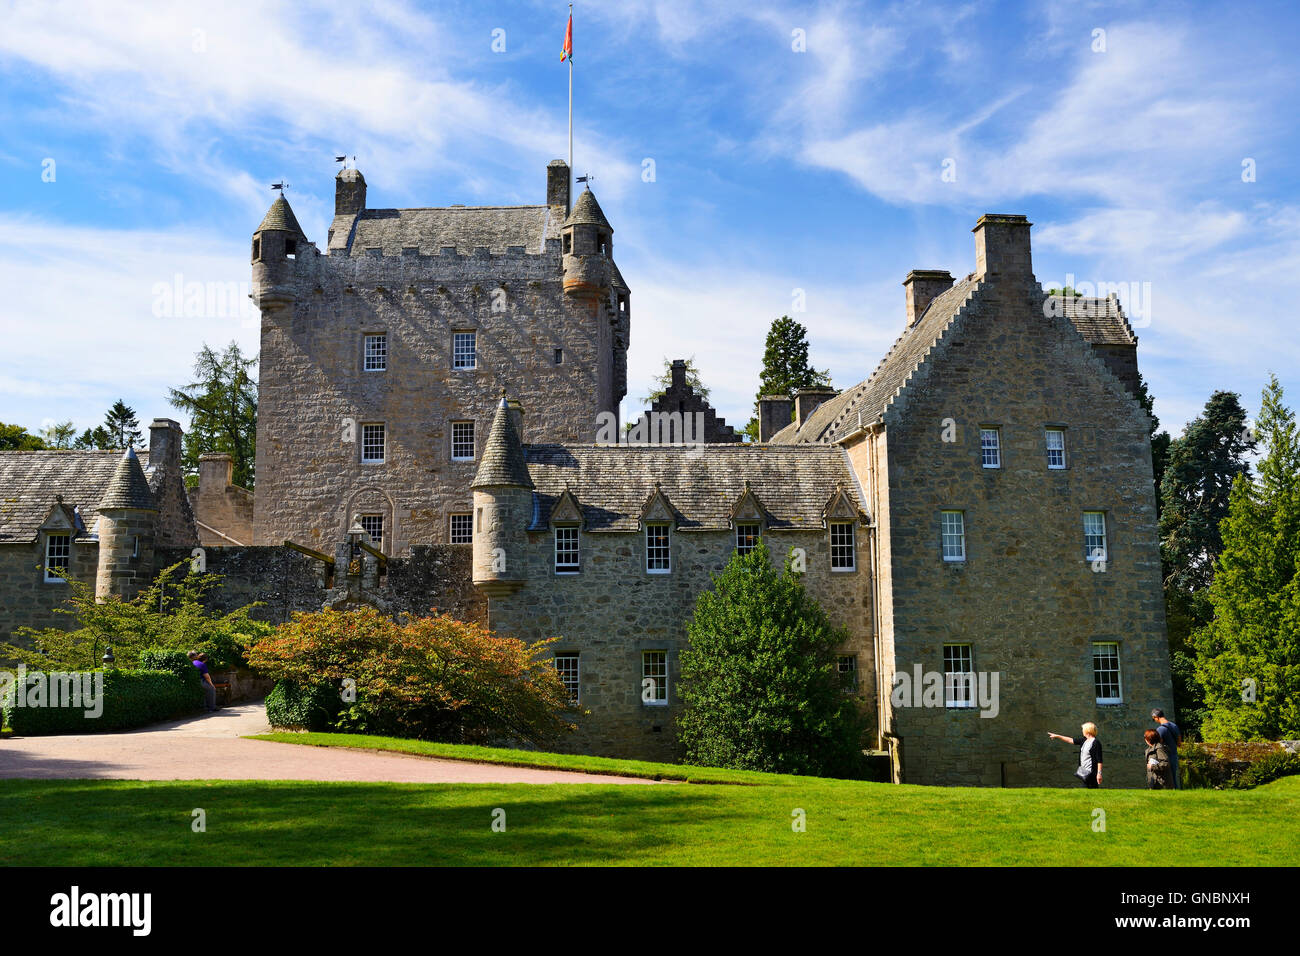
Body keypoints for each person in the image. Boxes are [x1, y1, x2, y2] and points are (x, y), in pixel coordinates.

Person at [1048, 722, 1103, 788]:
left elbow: (1099, 760)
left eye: (1083, 729)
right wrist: (1058, 736)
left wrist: (1099, 773)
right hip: (1084, 771)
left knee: (1088, 789)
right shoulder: (1084, 740)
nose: (1082, 731)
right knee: (1090, 790)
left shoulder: (1096, 742)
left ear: (1087, 730)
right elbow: (1070, 740)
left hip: (1091, 772)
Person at [1152, 708, 1182, 789]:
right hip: (1174, 755)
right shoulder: (1174, 725)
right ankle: (1176, 793)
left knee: (1166, 778)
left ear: (1156, 717)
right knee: (1173, 777)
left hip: (1165, 756)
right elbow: (1179, 743)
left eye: (1153, 718)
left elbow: (1159, 745)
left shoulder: (1160, 730)